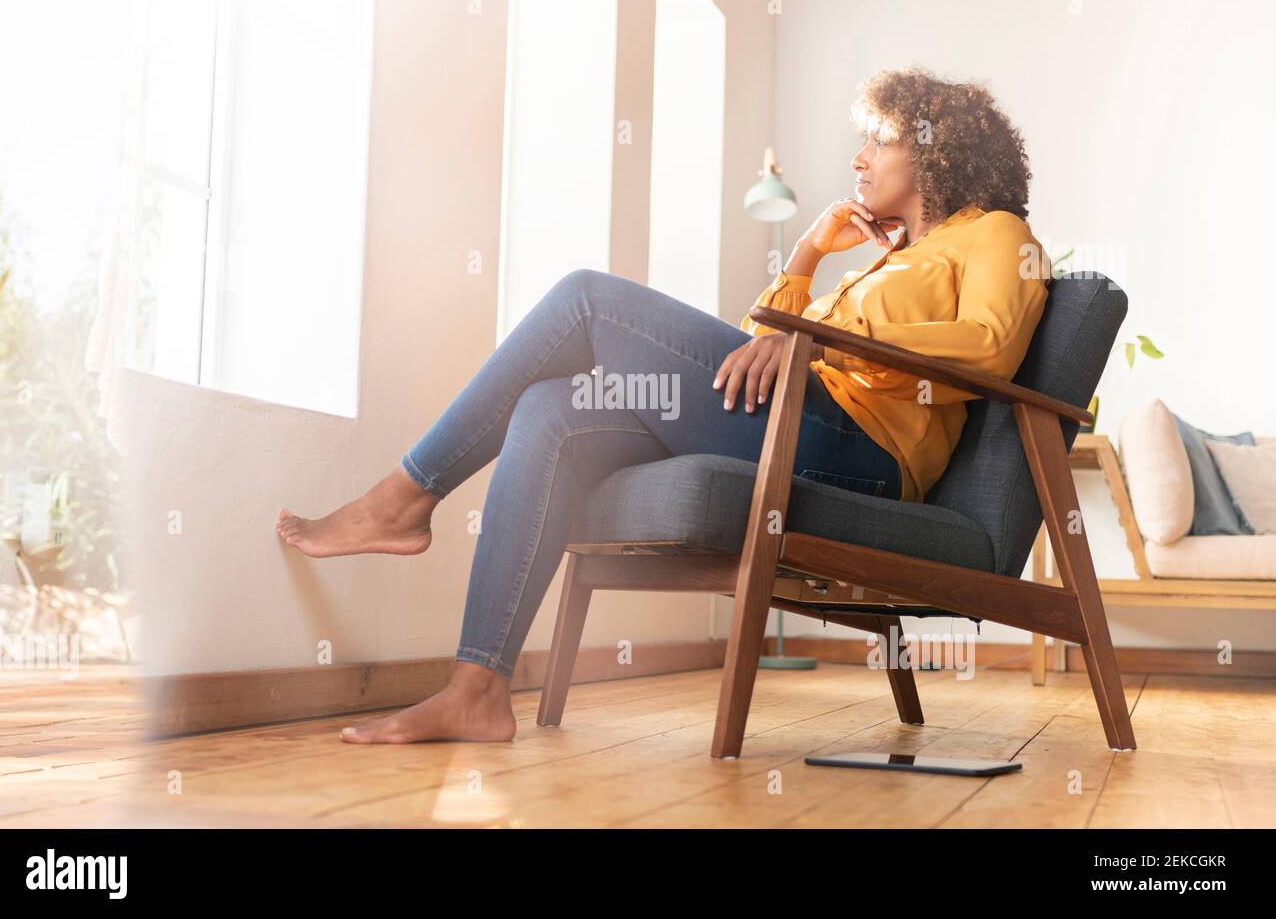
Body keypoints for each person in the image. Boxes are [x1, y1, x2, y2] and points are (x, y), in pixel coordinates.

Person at [274, 67, 1051, 744]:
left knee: (583, 299)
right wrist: (809, 253)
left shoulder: (995, 233)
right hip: (797, 417)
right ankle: (478, 689)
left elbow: (988, 345)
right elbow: (755, 354)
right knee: (549, 406)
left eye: (877, 140)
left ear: (935, 146)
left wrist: (822, 340)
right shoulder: (891, 258)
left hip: (862, 450)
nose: (858, 158)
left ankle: (403, 496)